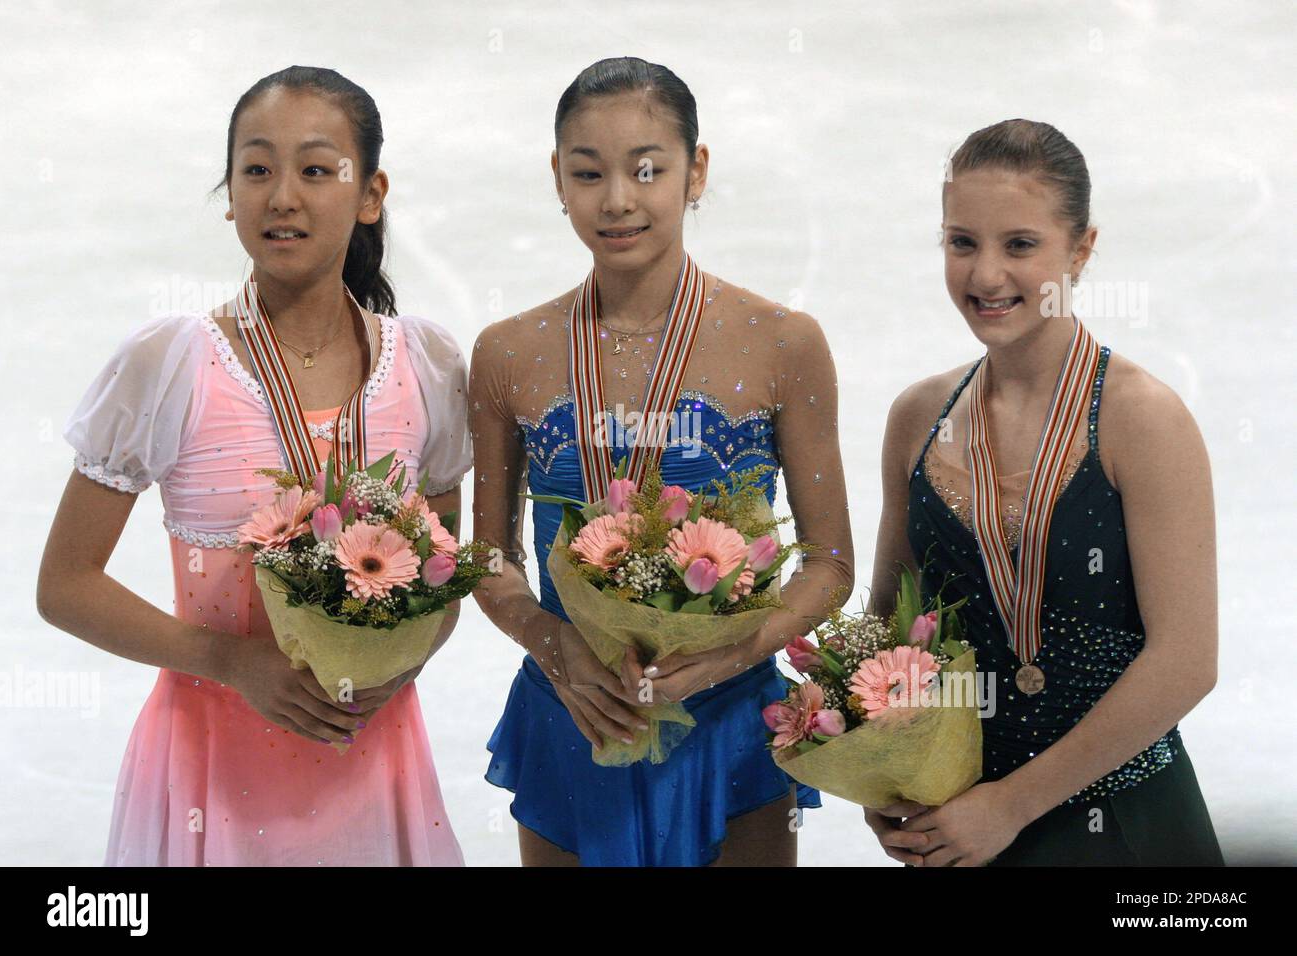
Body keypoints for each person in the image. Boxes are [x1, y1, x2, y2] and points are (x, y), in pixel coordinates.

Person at [37, 66, 472, 866]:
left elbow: (444, 581)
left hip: (371, 761)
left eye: (316, 169)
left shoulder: (428, 367)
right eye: (257, 169)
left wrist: (402, 658)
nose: (283, 196)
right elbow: (64, 585)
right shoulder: (170, 364)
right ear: (229, 193)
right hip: (210, 772)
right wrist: (231, 662)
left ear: (370, 192)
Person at [469, 57, 854, 866]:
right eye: (588, 172)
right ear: (558, 179)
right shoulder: (509, 354)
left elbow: (830, 563)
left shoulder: (783, 343)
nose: (617, 198)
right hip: (571, 714)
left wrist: (735, 655)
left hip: (732, 725)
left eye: (647, 169)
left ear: (696, 170)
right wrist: (556, 646)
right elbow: (492, 559)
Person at [865, 119, 1224, 866]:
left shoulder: (1141, 420)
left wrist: (1012, 805)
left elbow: (1187, 660)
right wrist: (877, 765)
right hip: (959, 823)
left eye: (1019, 245)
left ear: (1081, 250)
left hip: (1120, 825)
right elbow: (890, 622)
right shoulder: (917, 418)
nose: (985, 275)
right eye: (962, 242)